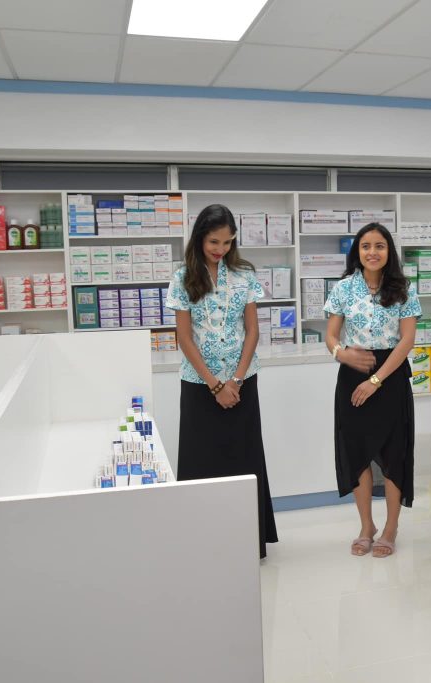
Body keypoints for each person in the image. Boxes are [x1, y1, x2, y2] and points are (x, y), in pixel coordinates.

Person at [166, 204, 278, 559]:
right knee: (202, 463)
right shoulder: (183, 278)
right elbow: (184, 338)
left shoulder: (244, 276)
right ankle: (202, 543)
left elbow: (253, 331)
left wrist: (237, 380)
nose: (221, 249)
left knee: (244, 461)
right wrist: (216, 385)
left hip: (242, 383)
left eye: (227, 242)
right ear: (200, 238)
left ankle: (248, 542)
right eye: (214, 241)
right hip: (199, 386)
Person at [324, 222, 421, 558]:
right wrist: (343, 354)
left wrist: (376, 380)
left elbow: (407, 341)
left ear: (389, 251)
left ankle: (391, 527)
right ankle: (367, 526)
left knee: (394, 453)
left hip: (389, 376)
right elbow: (331, 336)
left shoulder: (403, 289)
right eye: (366, 246)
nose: (372, 252)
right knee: (357, 453)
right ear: (357, 252)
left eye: (379, 246)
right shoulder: (343, 288)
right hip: (353, 374)